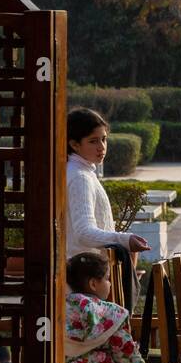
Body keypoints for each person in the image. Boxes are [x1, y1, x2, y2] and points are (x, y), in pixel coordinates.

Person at [66, 108, 150, 310]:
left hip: (88, 276)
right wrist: (124, 240)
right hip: (84, 280)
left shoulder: (81, 172)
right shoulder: (79, 177)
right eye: (93, 141)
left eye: (104, 139)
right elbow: (84, 232)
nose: (101, 147)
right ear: (74, 144)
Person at [64, 251, 150, 363]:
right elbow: (126, 353)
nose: (110, 284)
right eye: (107, 278)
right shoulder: (110, 315)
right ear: (93, 284)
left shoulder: (58, 310)